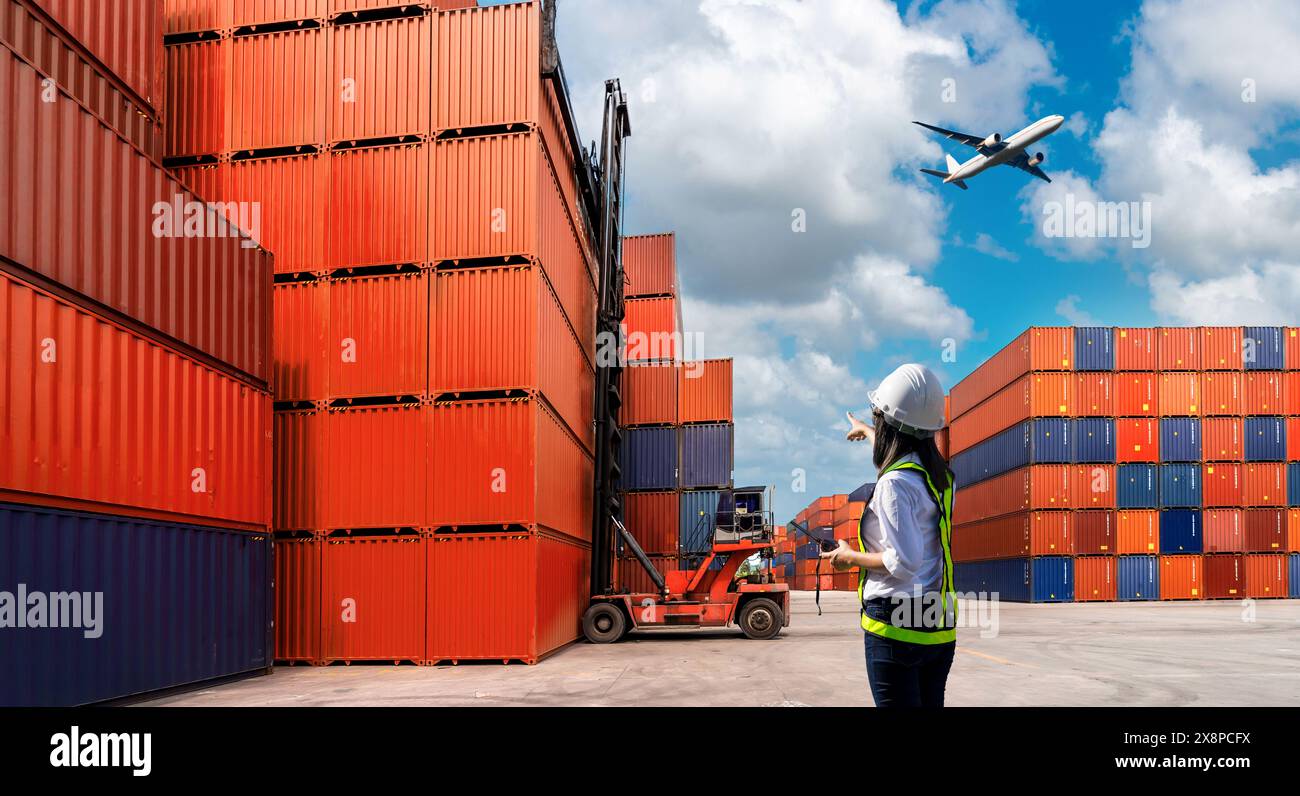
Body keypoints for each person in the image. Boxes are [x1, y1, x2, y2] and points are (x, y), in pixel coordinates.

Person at [820, 363, 956, 708]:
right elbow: (900, 462)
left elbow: (904, 562)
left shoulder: (894, 485)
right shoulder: (939, 478)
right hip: (936, 627)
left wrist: (849, 557)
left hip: (896, 632)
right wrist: (867, 431)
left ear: (889, 425)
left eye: (877, 416)